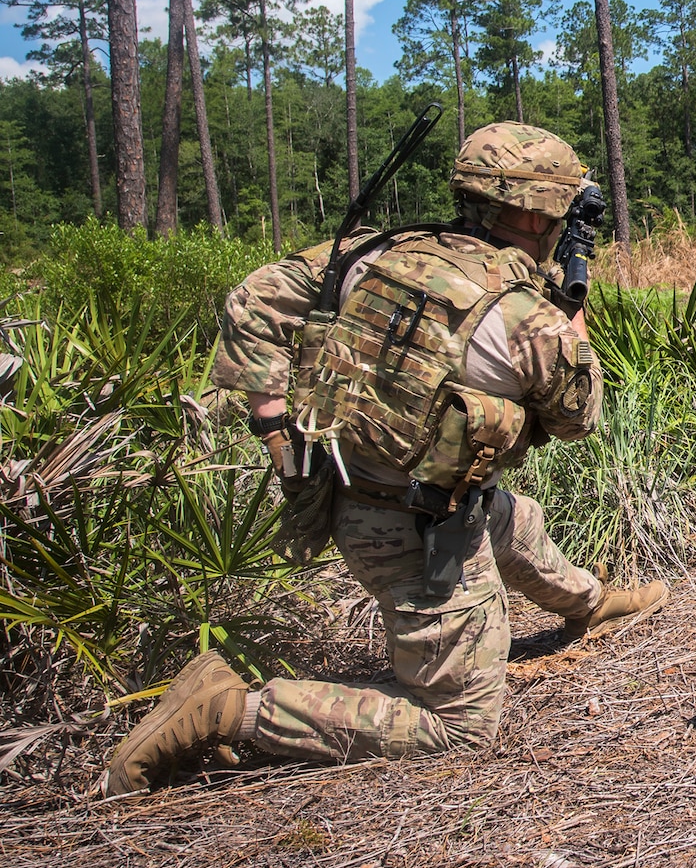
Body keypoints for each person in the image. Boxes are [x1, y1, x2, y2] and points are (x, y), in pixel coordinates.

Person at [104, 122, 663, 795]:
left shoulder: (386, 251)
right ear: (526, 209)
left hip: (356, 495)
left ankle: (592, 601)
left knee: (516, 520)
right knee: (459, 726)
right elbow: (577, 416)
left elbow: (251, 298)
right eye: (559, 208)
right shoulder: (525, 317)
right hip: (415, 534)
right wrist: (574, 313)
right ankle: (232, 708)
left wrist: (279, 434)